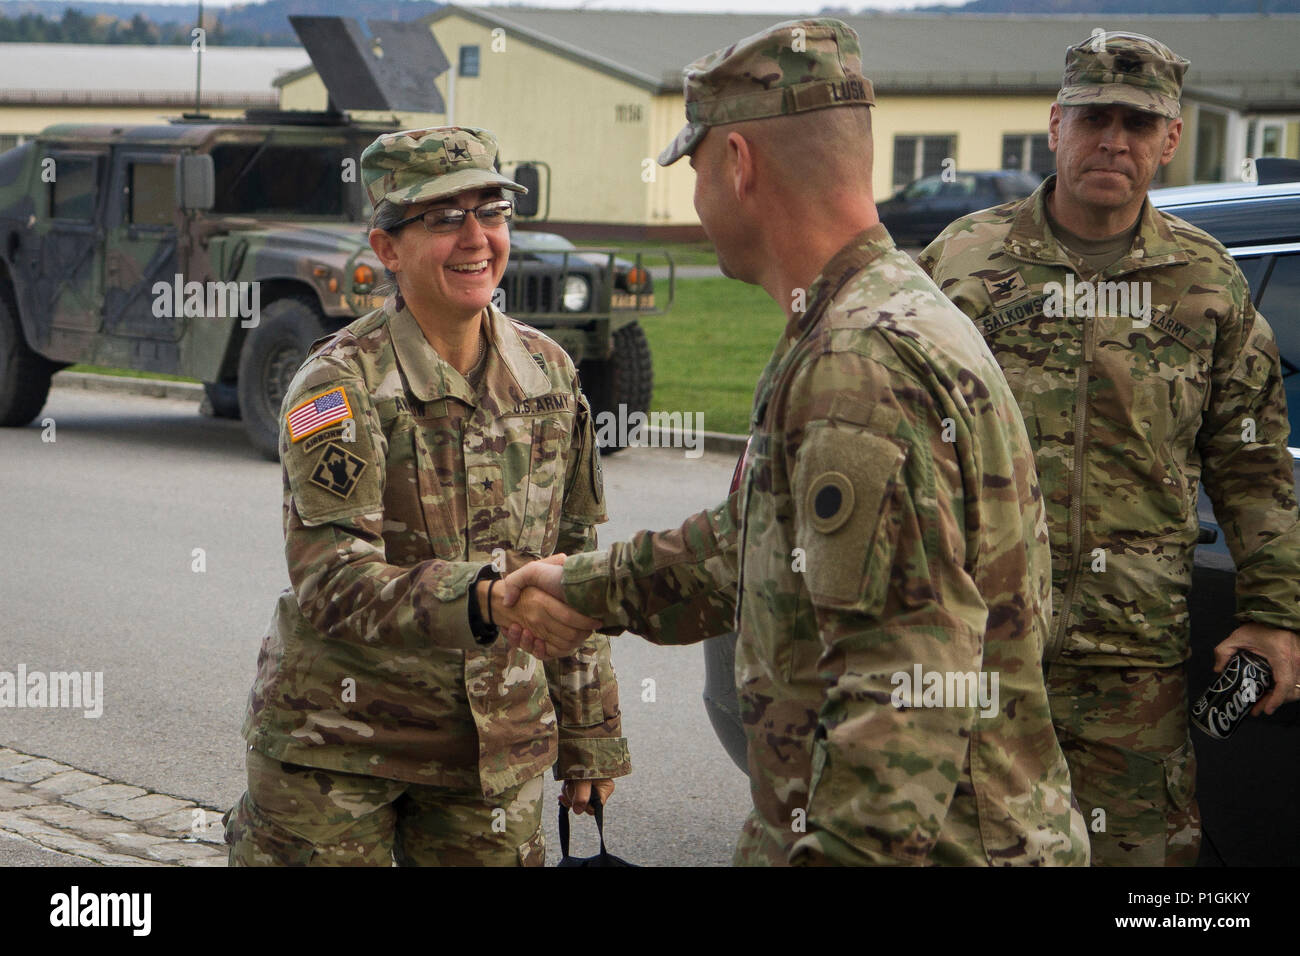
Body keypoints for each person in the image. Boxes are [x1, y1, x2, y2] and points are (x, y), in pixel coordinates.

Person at [502, 18, 1089, 867]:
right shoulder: (871, 315)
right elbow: (756, 545)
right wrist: (586, 587)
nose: (695, 202)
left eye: (696, 172)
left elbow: (900, 708)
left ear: (738, 165)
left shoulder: (855, 364)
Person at [918, 32, 1300, 866]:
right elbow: (899, 443)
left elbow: (1254, 460)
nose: (1113, 141)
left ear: (1169, 139)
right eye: (1094, 117)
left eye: (1138, 122)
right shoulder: (962, 264)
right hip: (973, 646)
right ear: (1056, 125)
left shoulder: (1206, 282)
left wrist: (1273, 615)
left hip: (1132, 666)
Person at [222, 126, 630, 866]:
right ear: (387, 248)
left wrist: (590, 736)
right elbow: (333, 582)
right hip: (340, 754)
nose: (477, 239)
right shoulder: (338, 386)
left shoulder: (549, 373)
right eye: (444, 219)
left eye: (492, 212)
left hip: (493, 755)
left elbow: (574, 568)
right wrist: (484, 598)